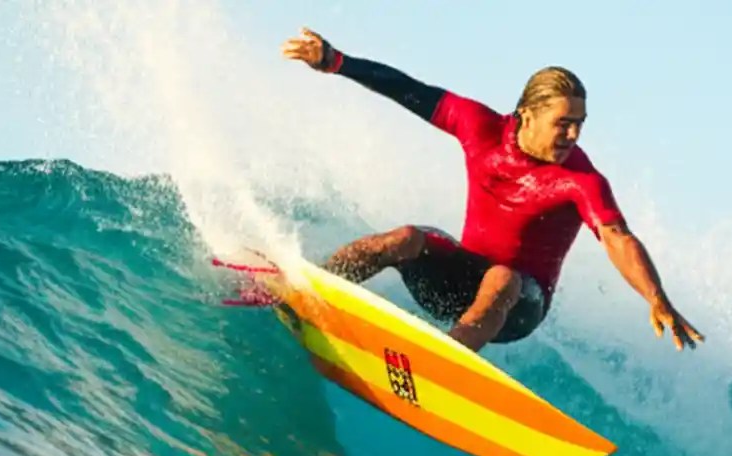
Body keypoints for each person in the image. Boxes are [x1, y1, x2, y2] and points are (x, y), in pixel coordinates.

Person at [281, 28, 703, 353]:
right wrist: (337, 62)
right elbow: (410, 91)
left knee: (502, 278)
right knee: (405, 238)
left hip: (518, 307)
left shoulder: (581, 180)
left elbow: (617, 238)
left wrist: (655, 296)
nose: (574, 135)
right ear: (527, 116)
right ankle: (306, 289)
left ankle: (447, 362)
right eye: (563, 123)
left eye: (580, 124)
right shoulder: (478, 127)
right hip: (455, 285)